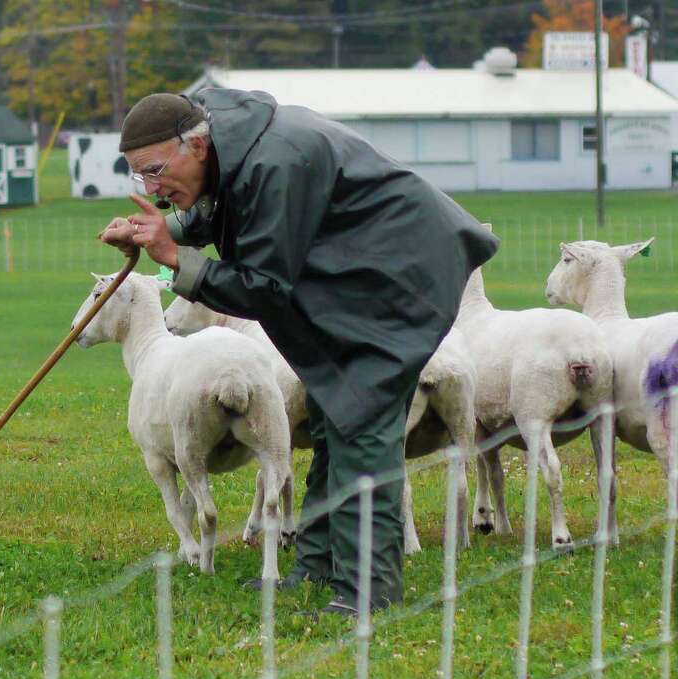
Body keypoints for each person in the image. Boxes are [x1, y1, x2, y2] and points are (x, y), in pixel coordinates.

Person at [99, 90, 499, 617]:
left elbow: (262, 286)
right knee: (335, 415)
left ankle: (368, 594)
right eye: (139, 178)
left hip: (402, 278)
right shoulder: (230, 148)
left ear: (194, 146)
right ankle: (316, 566)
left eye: (154, 172)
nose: (151, 188)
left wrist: (174, 256)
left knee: (363, 423)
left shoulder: (274, 164)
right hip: (359, 272)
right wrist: (155, 230)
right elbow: (222, 210)